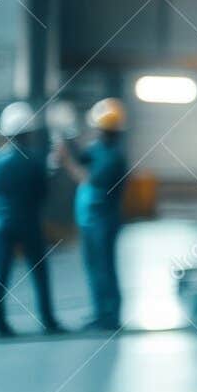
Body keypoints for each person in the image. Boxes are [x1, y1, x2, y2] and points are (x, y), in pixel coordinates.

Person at [0, 103, 62, 337]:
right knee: (40, 273)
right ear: (27, 133)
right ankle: (48, 321)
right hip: (28, 222)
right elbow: (42, 193)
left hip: (1, 223)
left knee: (0, 274)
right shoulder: (35, 160)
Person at [55, 98, 129, 331]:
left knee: (104, 267)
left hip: (104, 221)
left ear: (101, 129)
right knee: (93, 266)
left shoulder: (113, 157)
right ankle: (100, 312)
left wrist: (66, 161)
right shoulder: (98, 149)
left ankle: (111, 316)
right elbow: (83, 156)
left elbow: (87, 179)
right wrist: (68, 139)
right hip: (90, 219)